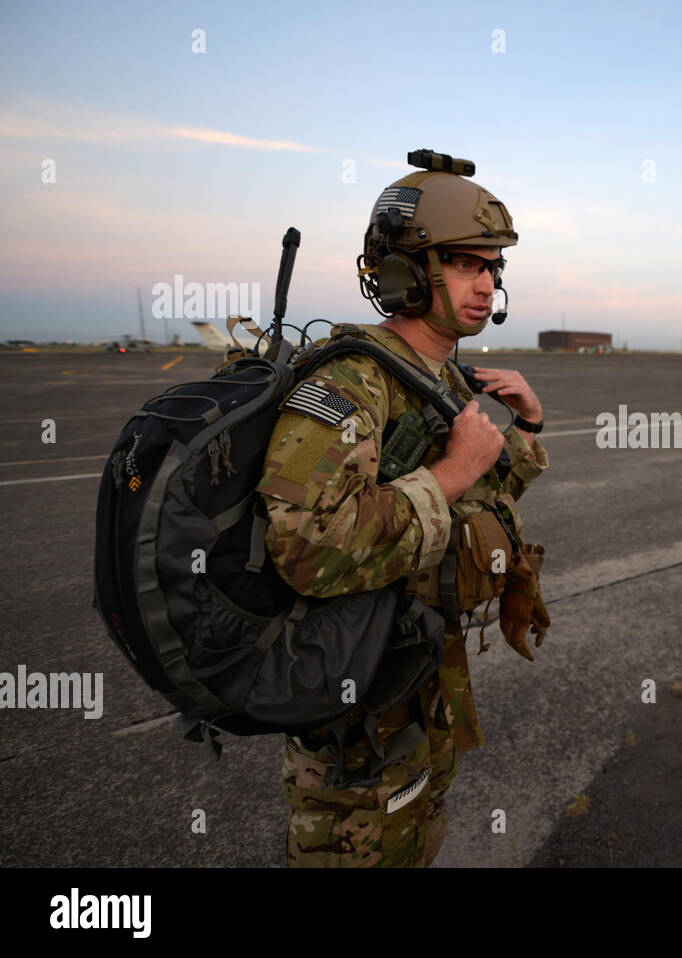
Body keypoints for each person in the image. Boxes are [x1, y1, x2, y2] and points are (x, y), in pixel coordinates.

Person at [258, 155, 551, 866]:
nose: (487, 283)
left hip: (416, 691)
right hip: (355, 723)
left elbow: (471, 501)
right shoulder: (354, 380)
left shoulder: (436, 378)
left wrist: (526, 433)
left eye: (493, 266)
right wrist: (450, 470)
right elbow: (305, 543)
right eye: (463, 263)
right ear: (404, 272)